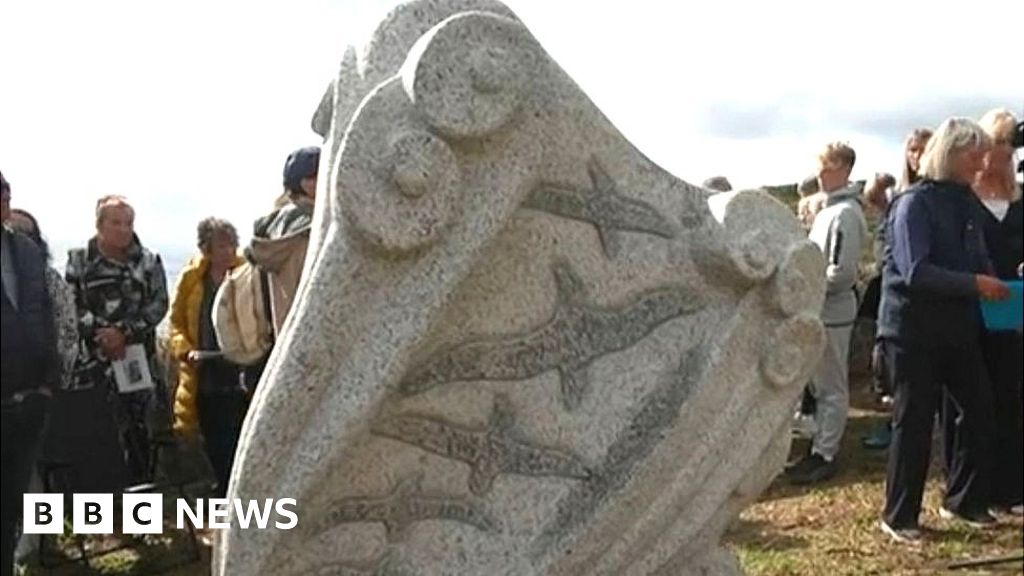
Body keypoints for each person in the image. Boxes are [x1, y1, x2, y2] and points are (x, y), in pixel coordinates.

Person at [877, 117, 1008, 543]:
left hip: (956, 328)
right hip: (912, 331)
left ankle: (964, 501)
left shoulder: (965, 201)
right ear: (952, 154)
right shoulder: (914, 203)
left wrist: (999, 277)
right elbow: (916, 271)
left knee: (979, 409)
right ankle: (900, 516)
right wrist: (976, 284)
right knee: (913, 422)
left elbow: (977, 253)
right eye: (975, 155)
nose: (982, 163)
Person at [65, 195, 169, 486]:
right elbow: (71, 307)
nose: (124, 229)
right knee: (97, 431)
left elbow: (159, 304)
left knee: (141, 434)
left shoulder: (148, 261)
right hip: (95, 362)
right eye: (116, 223)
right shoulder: (79, 260)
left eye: (128, 223)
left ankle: (141, 500)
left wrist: (124, 332)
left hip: (137, 363)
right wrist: (104, 334)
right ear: (100, 225)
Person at [786, 142, 867, 485]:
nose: (820, 173)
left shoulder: (845, 213)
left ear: (845, 169)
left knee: (831, 384)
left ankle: (826, 453)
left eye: (828, 166)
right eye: (820, 166)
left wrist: (806, 286)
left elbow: (841, 271)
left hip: (832, 309)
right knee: (819, 385)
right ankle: (818, 447)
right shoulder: (829, 210)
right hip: (821, 306)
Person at [1, 171, 61, 576]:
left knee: (10, 509)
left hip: (28, 401)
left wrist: (47, 384)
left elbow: (48, 315)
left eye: (4, 194)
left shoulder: (25, 250)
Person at [862, 130, 934, 451]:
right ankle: (891, 420)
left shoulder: (931, 197)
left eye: (922, 150)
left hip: (920, 291)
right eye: (911, 150)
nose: (916, 156)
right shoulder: (904, 196)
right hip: (889, 284)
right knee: (886, 363)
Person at [171, 218, 249, 497]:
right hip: (205, 370)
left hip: (241, 366)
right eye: (220, 245)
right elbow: (176, 323)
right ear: (206, 248)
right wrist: (185, 350)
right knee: (214, 434)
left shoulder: (247, 274)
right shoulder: (192, 279)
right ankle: (223, 488)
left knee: (243, 432)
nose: (227, 251)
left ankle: (242, 491)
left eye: (231, 244)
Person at [972, 108, 1023, 516]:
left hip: (1015, 311)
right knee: (978, 400)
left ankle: (1011, 487)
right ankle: (978, 488)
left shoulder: (1019, 199)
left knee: (1011, 397)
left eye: (1010, 144)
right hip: (973, 310)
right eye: (998, 143)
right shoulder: (965, 200)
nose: (1004, 153)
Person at [247, 146, 320, 336]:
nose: (322, 181)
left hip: (285, 333)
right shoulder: (311, 225)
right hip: (313, 331)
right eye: (313, 176)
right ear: (301, 183)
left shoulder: (276, 223)